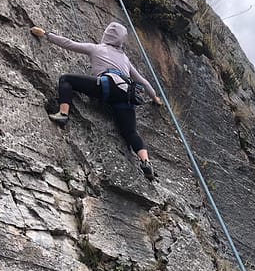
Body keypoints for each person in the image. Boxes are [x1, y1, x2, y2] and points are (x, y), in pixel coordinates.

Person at [30, 21, 163, 182]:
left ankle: (63, 114)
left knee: (66, 79)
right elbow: (143, 81)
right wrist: (155, 97)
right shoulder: (125, 59)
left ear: (107, 35)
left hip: (106, 87)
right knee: (130, 132)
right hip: (126, 96)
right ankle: (145, 161)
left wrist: (46, 34)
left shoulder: (97, 48)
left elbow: (69, 44)